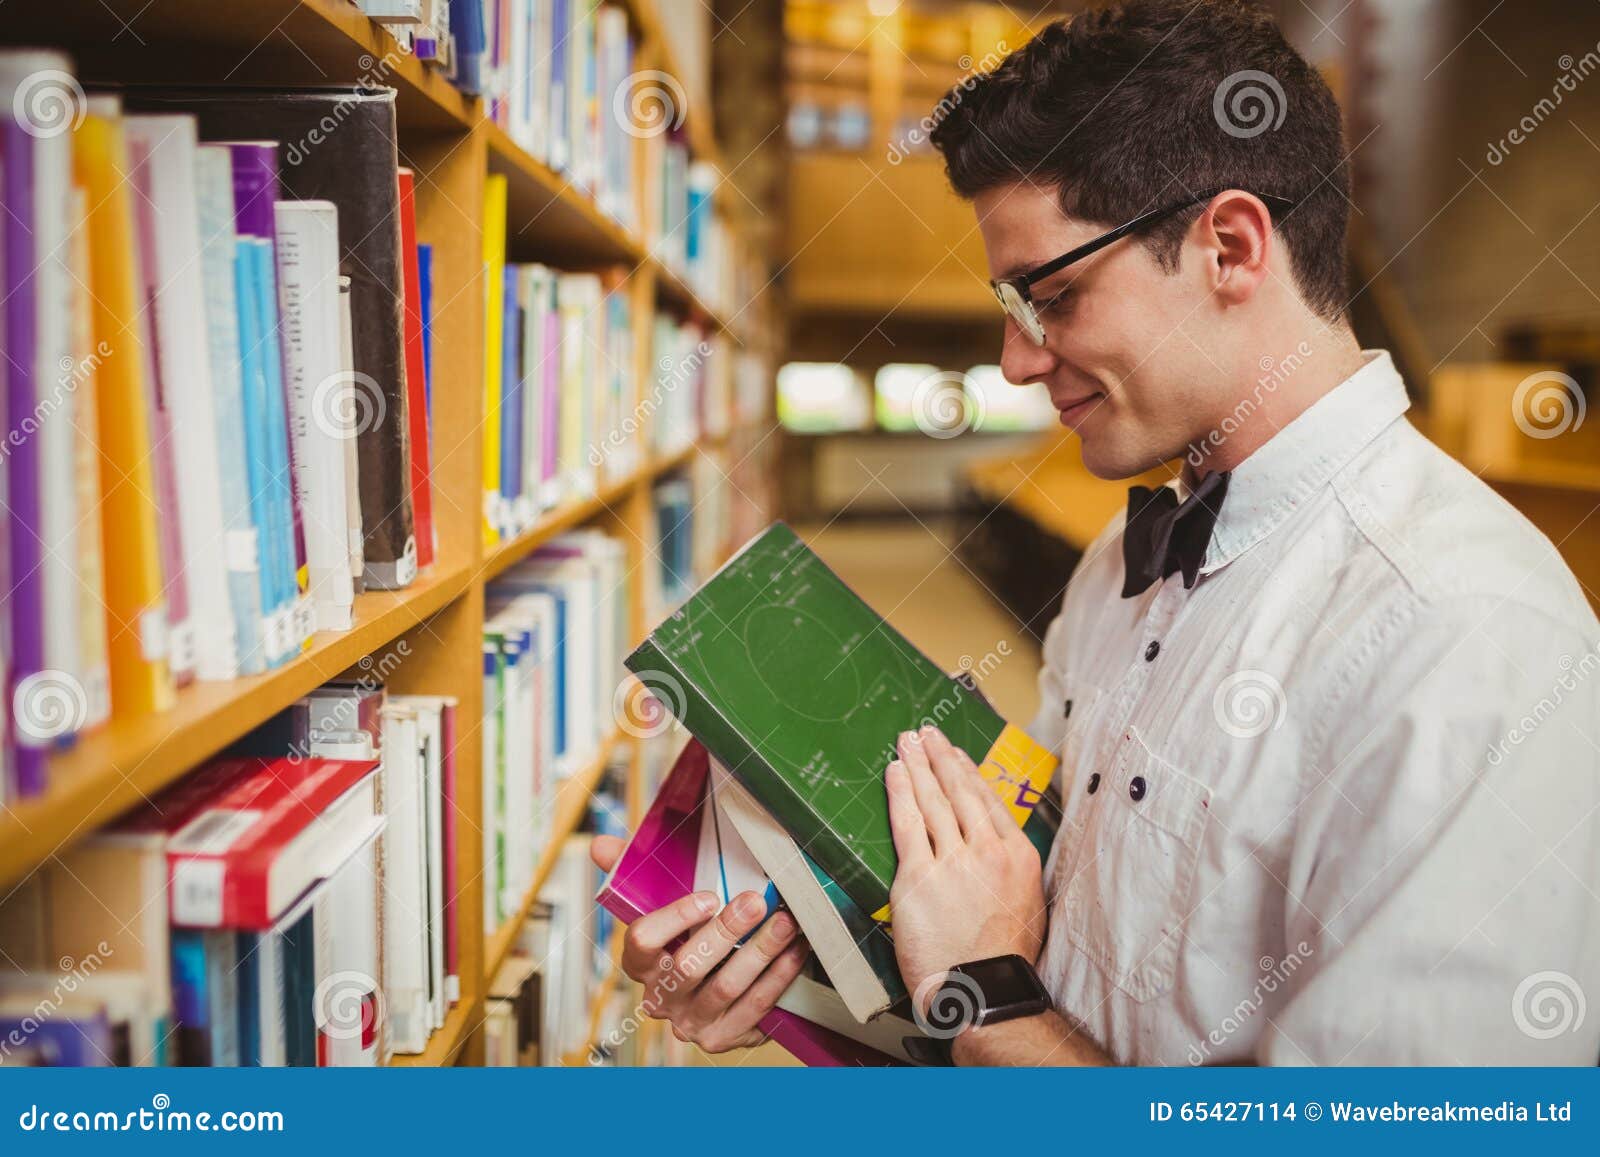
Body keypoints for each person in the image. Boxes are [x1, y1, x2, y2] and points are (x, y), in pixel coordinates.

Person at [591, 0, 1600, 1064]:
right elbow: (1059, 936)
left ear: (1228, 245)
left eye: (1054, 295)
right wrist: (820, 958)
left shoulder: (1472, 639)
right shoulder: (1113, 564)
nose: (1018, 361)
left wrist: (976, 992)